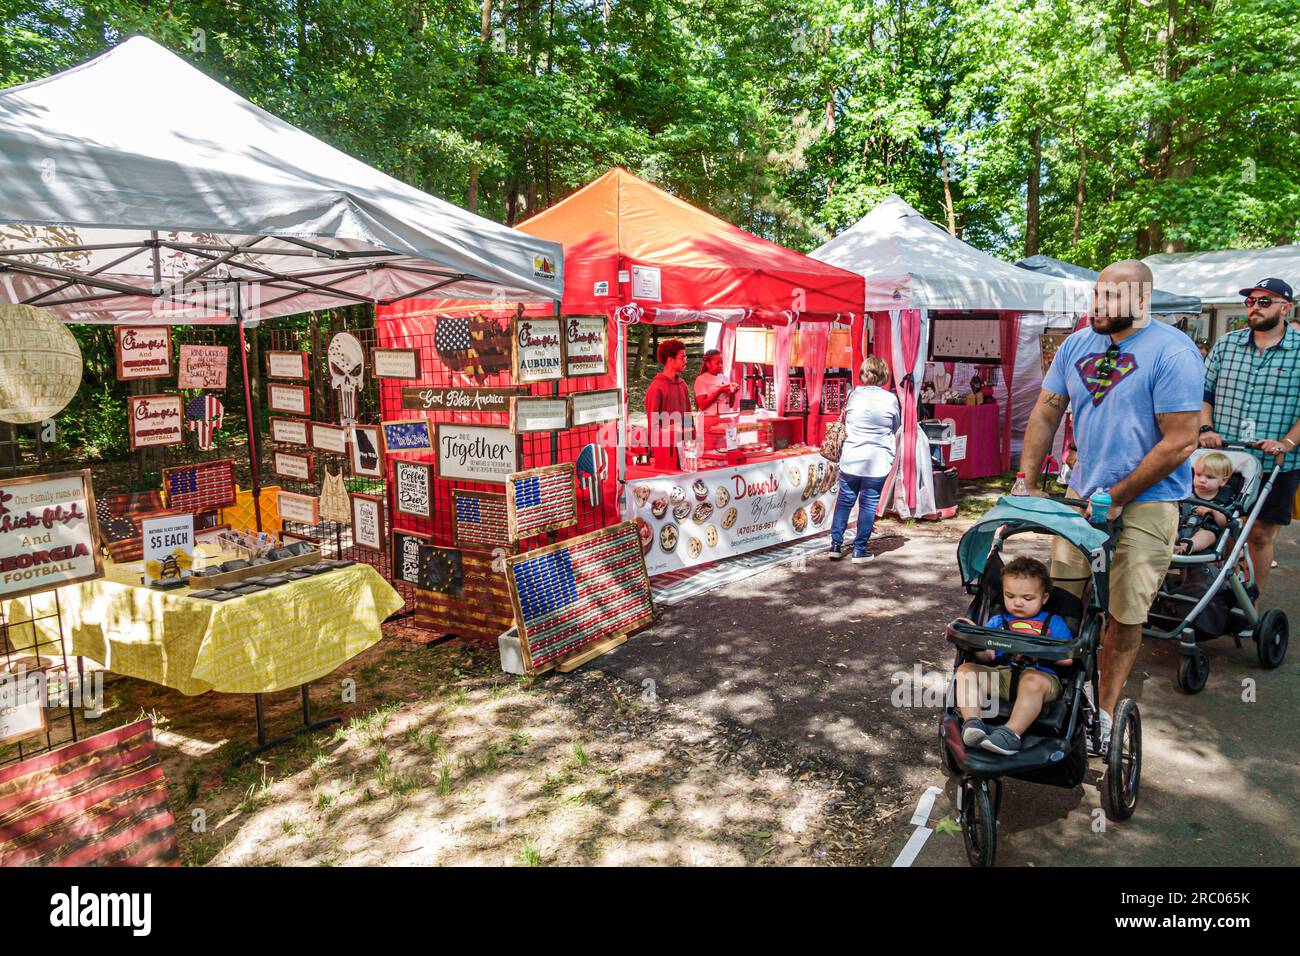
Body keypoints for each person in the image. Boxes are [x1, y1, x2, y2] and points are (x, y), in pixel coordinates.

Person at [1020, 260, 1201, 749]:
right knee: (1061, 601)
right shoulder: (1078, 344)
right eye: (1095, 295)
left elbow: (1181, 441)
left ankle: (1102, 708)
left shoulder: (1174, 351)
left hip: (1148, 503)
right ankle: (1054, 694)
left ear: (1141, 300)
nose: (1097, 306)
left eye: (1111, 298)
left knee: (1123, 615)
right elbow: (1048, 409)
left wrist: (1119, 496)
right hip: (1082, 499)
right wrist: (1026, 479)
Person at [1198, 278, 1300, 594]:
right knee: (1225, 527)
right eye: (1251, 301)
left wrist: (1287, 443)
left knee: (1259, 534)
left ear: (1286, 307)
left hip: (1276, 462)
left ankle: (1250, 604)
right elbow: (1204, 392)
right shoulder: (1226, 345)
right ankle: (1226, 597)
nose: (1255, 307)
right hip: (1226, 459)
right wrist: (1206, 428)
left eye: (1264, 301)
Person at [956, 556, 1074, 755]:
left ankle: (1010, 734)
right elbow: (987, 658)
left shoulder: (1053, 623)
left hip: (1041, 680)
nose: (1017, 603)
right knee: (965, 670)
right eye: (1010, 596)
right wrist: (974, 642)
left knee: (1031, 679)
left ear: (1044, 597)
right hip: (1005, 675)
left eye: (1027, 598)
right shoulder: (997, 621)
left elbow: (1069, 658)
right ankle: (973, 724)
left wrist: (1041, 652)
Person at [828, 356, 901, 564]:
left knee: (844, 502)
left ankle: (836, 545)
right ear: (884, 375)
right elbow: (895, 425)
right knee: (868, 504)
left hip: (851, 457)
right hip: (877, 459)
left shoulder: (853, 395)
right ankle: (859, 549)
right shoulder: (890, 399)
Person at [644, 339, 693, 470]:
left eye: (685, 357)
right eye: (682, 357)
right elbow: (653, 425)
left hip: (685, 451)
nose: (685, 361)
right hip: (665, 453)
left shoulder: (683, 385)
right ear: (670, 360)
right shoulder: (656, 388)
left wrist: (691, 442)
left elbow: (688, 417)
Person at [1175, 452, 1233, 555]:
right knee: (1170, 531)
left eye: (1209, 477)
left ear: (1223, 481)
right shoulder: (1186, 492)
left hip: (1207, 530)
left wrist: (1214, 510)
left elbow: (1224, 524)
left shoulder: (1223, 499)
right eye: (1198, 474)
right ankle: (1164, 545)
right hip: (1181, 527)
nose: (1202, 480)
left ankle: (1186, 547)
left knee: (1206, 536)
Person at [694, 348, 740, 414]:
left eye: (721, 363)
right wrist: (719, 391)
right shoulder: (701, 379)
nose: (720, 366)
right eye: (717, 363)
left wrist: (733, 392)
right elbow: (702, 405)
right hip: (710, 419)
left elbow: (730, 405)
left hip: (725, 418)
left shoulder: (725, 378)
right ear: (708, 364)